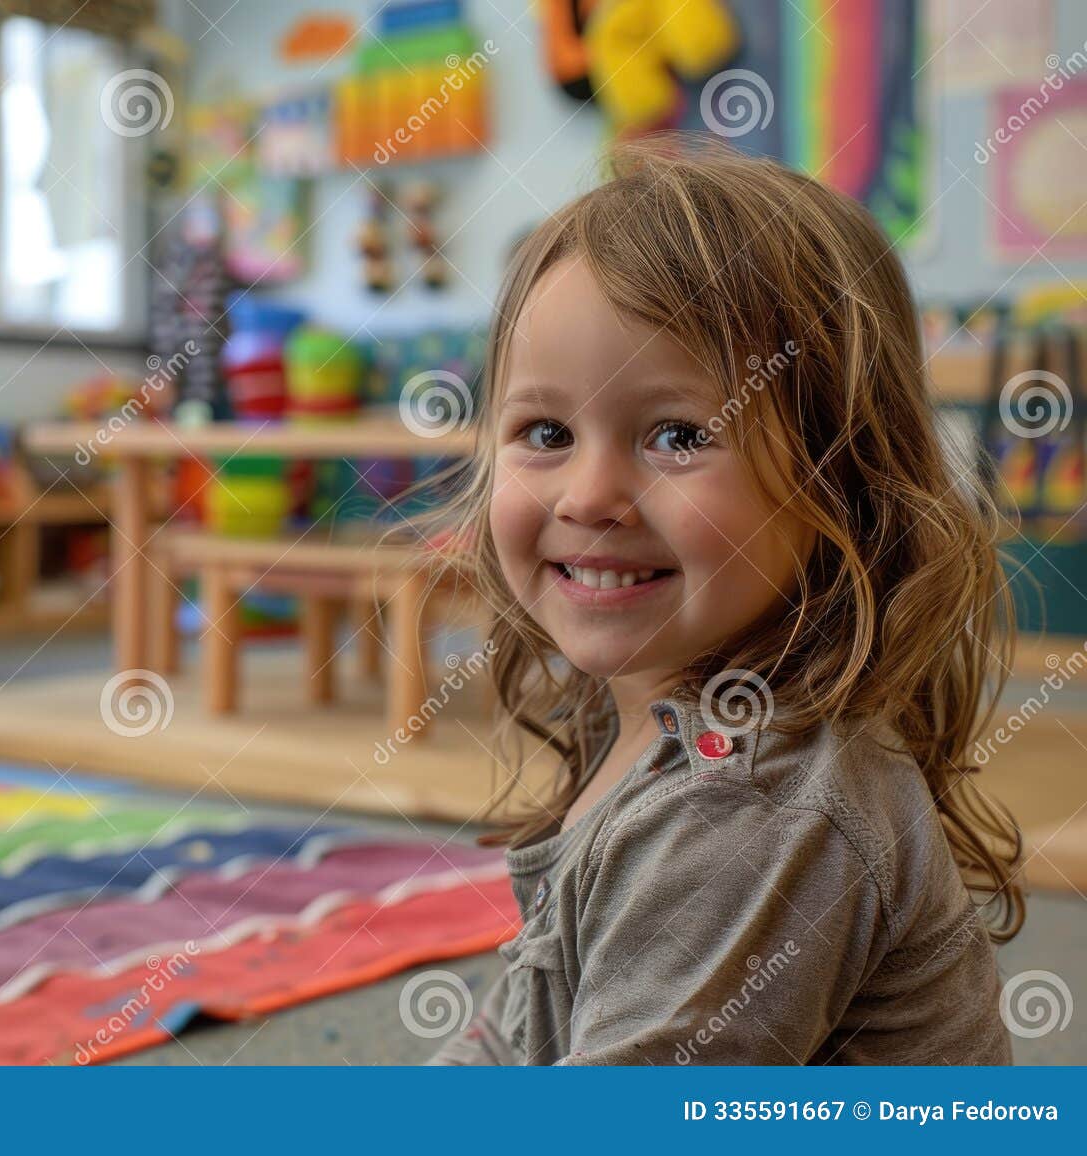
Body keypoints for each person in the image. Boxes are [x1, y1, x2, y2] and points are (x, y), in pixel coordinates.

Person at [427, 136, 1023, 1065]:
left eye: (675, 435)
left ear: (845, 480)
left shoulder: (745, 803)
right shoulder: (654, 711)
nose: (588, 496)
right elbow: (506, 1040)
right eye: (546, 430)